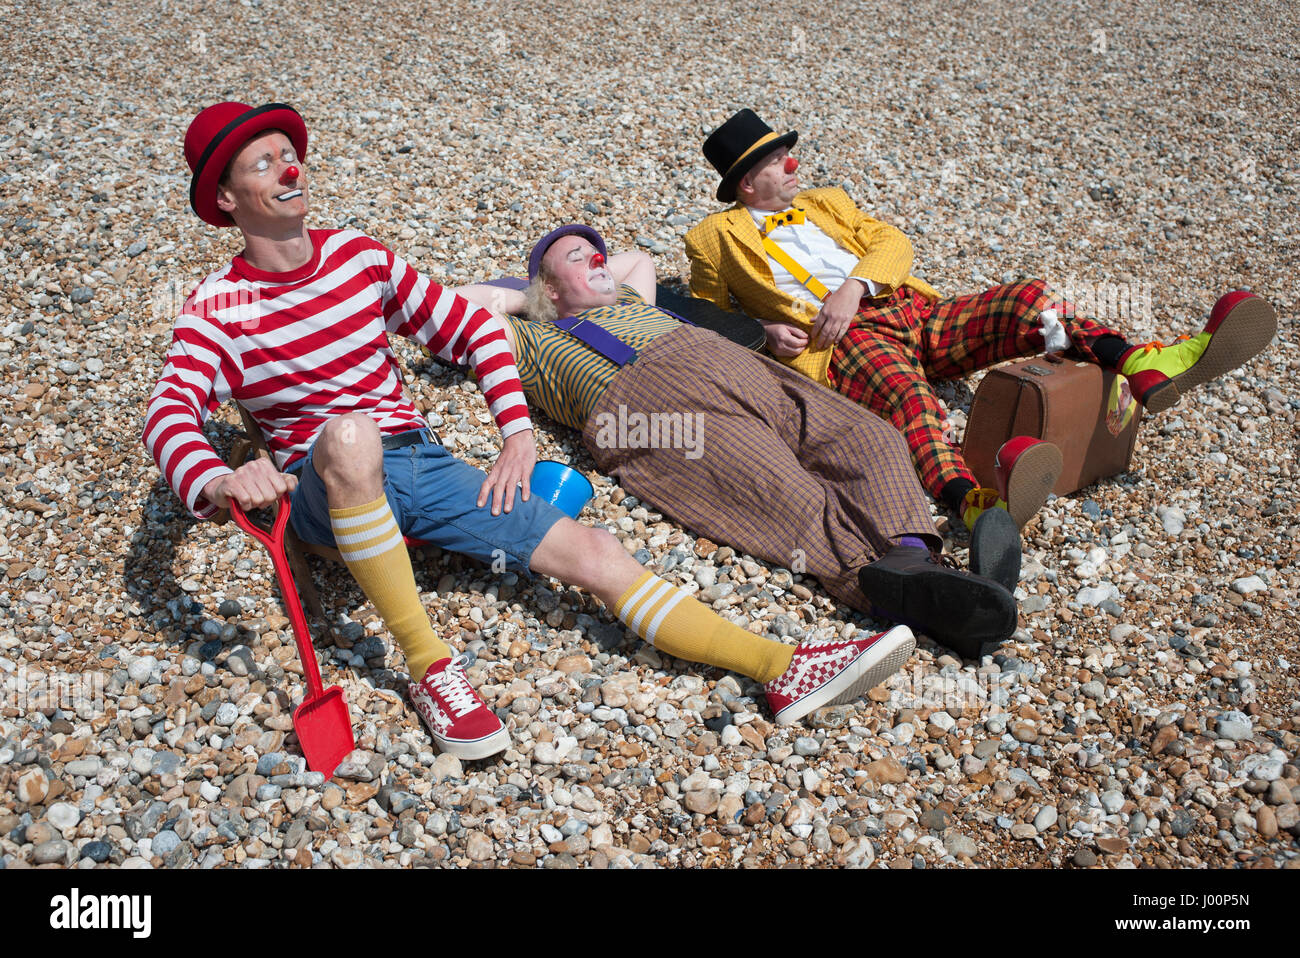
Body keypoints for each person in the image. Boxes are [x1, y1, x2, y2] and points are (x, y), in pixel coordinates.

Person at [144, 102, 920, 763]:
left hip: (424, 462)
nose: (290, 171)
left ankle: (782, 666)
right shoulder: (218, 305)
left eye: (290, 155)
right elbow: (170, 412)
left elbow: (471, 333)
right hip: (325, 486)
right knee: (350, 438)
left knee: (598, 552)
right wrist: (219, 478)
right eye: (263, 165)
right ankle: (428, 668)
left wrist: (516, 433)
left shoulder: (359, 257)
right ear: (223, 198)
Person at [685, 109, 1278, 566]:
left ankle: (1146, 363)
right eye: (778, 160)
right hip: (845, 344)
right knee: (910, 400)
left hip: (907, 308)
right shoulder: (714, 236)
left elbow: (892, 243)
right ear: (745, 184)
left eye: (790, 154)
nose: (793, 166)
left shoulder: (827, 201)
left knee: (1028, 299)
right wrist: (760, 334)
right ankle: (975, 501)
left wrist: (854, 286)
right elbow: (704, 316)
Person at [454, 224, 1019, 661]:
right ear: (547, 287)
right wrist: (527, 298)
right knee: (780, 489)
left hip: (732, 363)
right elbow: (461, 303)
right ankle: (884, 588)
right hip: (649, 405)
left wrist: (580, 269)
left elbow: (639, 260)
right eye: (577, 259)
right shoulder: (527, 340)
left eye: (594, 252)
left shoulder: (632, 300)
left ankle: (916, 560)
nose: (599, 260)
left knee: (865, 436)